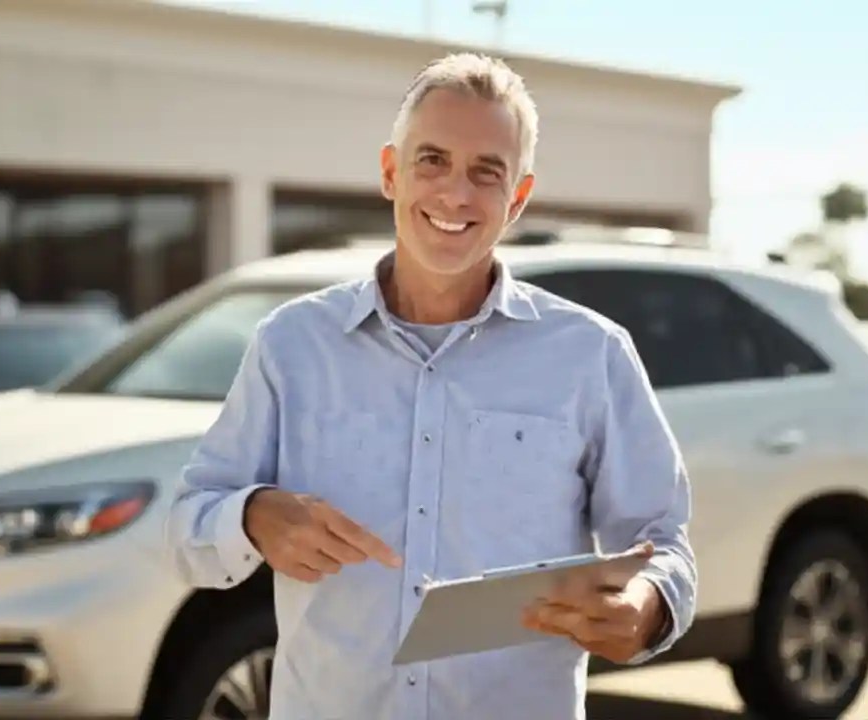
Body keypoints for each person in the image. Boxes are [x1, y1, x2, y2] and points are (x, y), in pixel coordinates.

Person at [167, 52, 695, 720]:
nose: (455, 194)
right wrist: (251, 515)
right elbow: (187, 530)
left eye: (487, 171)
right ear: (391, 172)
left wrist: (648, 606)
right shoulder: (291, 347)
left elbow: (663, 541)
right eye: (433, 161)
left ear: (518, 197)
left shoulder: (592, 356)